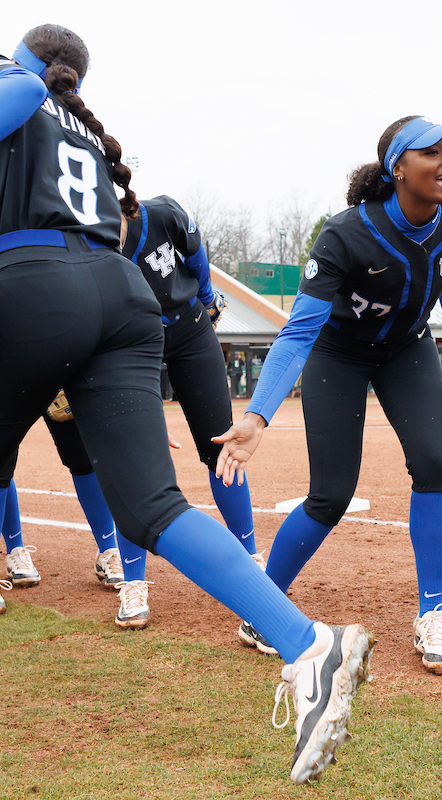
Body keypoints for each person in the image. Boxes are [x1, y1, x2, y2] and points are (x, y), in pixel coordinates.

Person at [0, 26, 373, 784]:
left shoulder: (8, 80)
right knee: (154, 507)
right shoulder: (85, 132)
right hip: (121, 298)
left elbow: (16, 88)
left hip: (33, 283)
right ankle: (308, 645)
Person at [216, 116, 442, 673]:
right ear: (397, 167)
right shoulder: (345, 235)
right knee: (331, 494)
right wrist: (257, 416)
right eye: (432, 152)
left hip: (407, 349)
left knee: (435, 465)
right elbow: (298, 332)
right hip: (338, 352)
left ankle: (432, 612)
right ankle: (262, 608)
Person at [119, 195, 263, 631]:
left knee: (222, 445)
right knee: (130, 456)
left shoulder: (161, 214)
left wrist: (205, 297)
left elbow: (196, 255)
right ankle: (133, 581)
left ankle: (250, 558)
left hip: (188, 329)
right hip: (129, 342)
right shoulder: (85, 238)